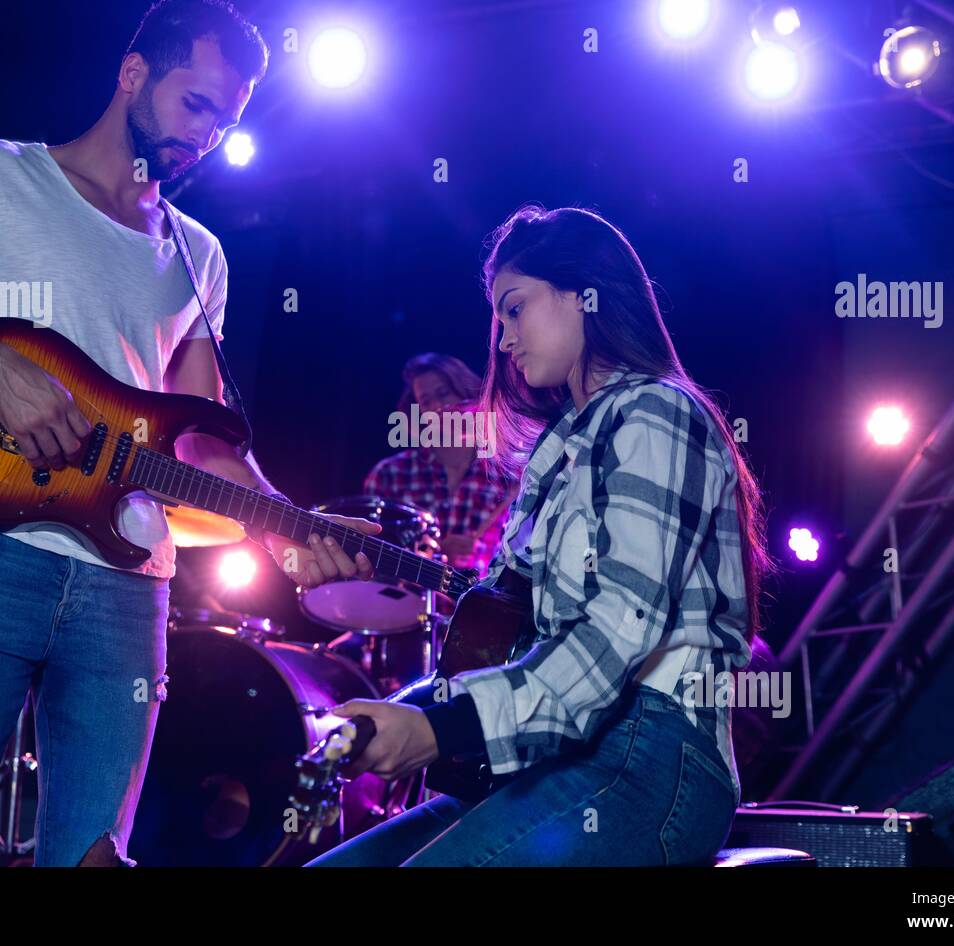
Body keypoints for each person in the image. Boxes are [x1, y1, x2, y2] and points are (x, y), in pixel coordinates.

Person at [0, 0, 376, 867]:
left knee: (94, 862)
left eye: (225, 122)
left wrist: (285, 523)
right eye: (196, 104)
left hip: (129, 590)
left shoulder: (200, 255)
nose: (205, 136)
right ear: (134, 74)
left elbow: (198, 447)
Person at [308, 204, 772, 866]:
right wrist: (376, 560)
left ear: (585, 293)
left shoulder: (659, 412)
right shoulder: (561, 447)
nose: (501, 339)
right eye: (498, 317)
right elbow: (501, 620)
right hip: (547, 756)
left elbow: (619, 631)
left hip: (650, 760)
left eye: (514, 308)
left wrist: (440, 727)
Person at [364, 353, 514, 577]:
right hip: (406, 609)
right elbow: (370, 560)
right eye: (426, 402)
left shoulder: (510, 471)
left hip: (486, 608)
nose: (437, 407)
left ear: (468, 394)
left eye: (444, 394)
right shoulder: (389, 475)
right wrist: (437, 554)